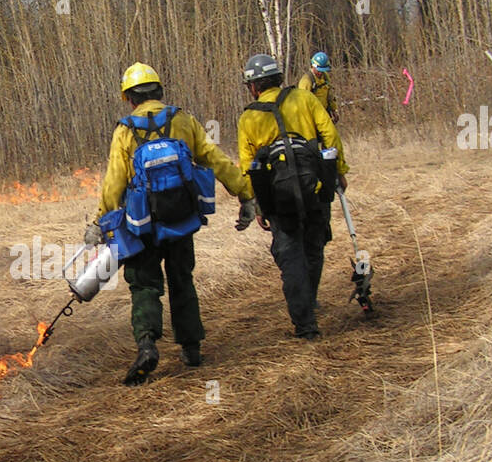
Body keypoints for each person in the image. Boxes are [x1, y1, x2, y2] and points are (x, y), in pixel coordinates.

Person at [84, 62, 259, 385]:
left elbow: (114, 182)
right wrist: (245, 194)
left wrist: (99, 222)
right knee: (182, 281)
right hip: (180, 219)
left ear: (129, 98)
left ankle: (148, 344)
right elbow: (215, 158)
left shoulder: (125, 130)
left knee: (145, 285)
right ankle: (191, 348)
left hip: (142, 225)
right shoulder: (182, 120)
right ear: (159, 91)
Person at [236, 54, 348, 340]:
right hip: (316, 188)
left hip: (278, 196)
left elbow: (248, 167)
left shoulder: (249, 117)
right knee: (314, 246)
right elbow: (330, 136)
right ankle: (309, 301)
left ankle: (305, 322)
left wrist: (256, 205)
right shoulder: (304, 98)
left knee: (290, 255)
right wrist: (339, 171)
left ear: (253, 86)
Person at [297, 51, 338, 123]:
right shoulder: (306, 81)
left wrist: (334, 110)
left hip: (325, 114)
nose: (320, 73)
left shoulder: (325, 77)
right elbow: (302, 104)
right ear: (313, 66)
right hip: (312, 118)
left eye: (322, 70)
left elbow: (330, 95)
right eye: (319, 70)